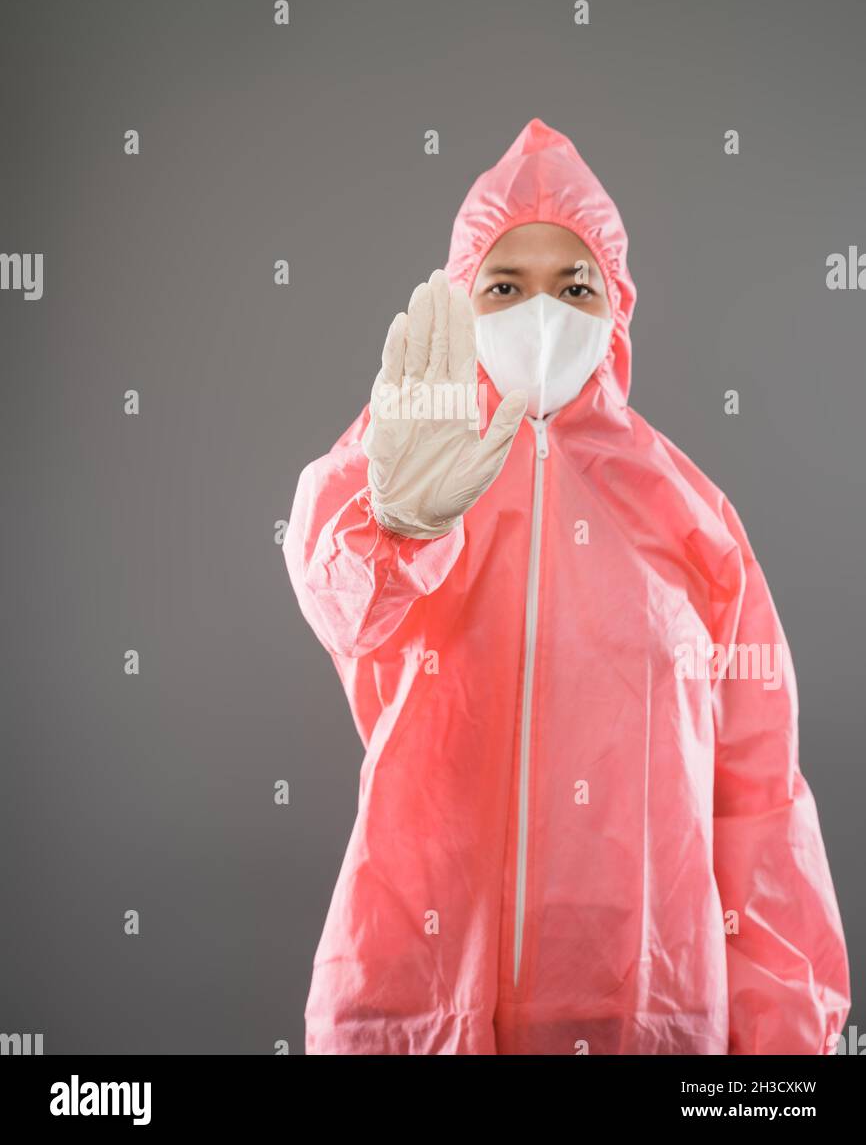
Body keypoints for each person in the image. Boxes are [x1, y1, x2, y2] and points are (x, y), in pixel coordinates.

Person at [283, 116, 851, 1055]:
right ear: (464, 300)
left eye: (572, 284)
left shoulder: (690, 516)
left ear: (614, 305)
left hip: (641, 999)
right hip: (416, 993)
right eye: (505, 285)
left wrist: (785, 1051)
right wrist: (399, 525)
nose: (539, 312)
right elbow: (336, 596)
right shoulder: (410, 462)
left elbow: (759, 797)